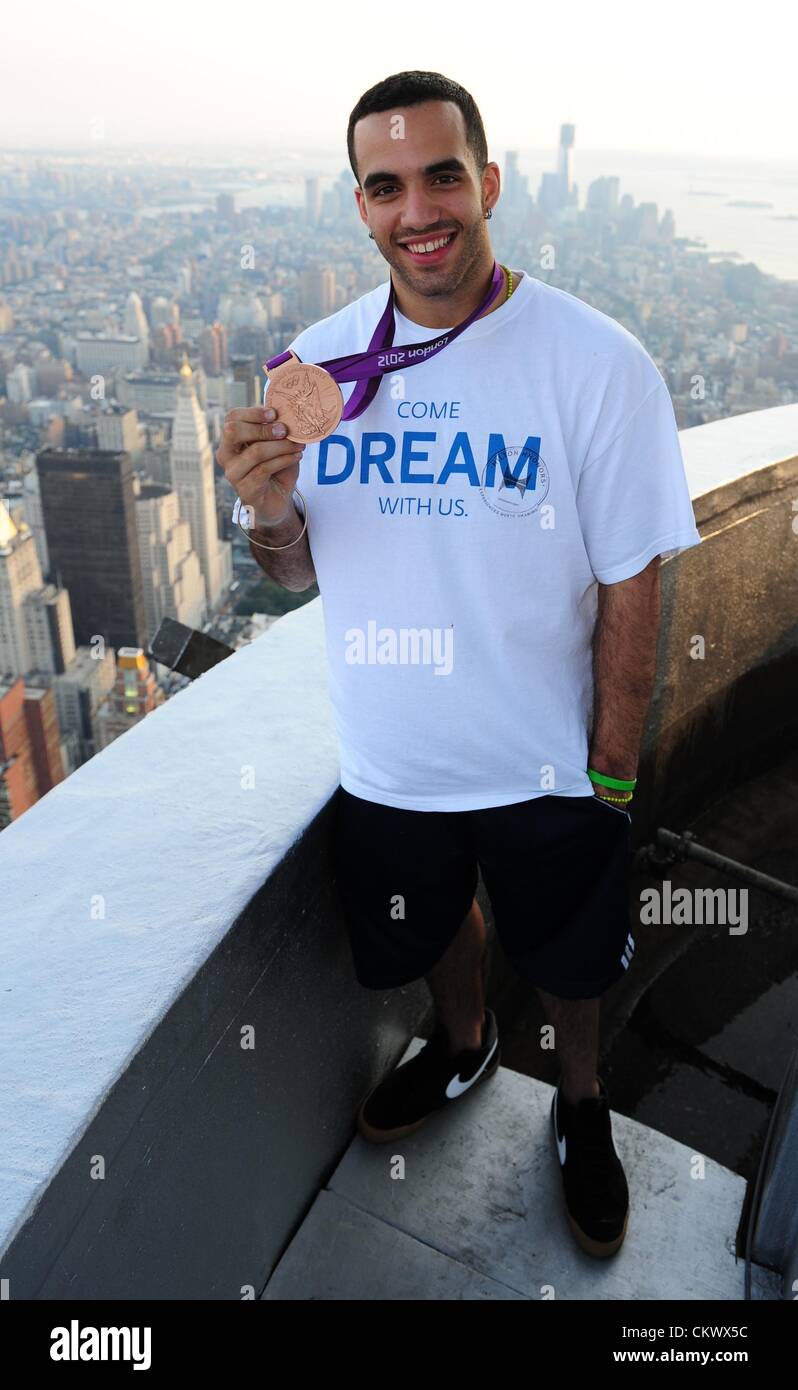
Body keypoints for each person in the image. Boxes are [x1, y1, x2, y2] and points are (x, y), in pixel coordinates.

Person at [217, 70, 701, 1260]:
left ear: (488, 183)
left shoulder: (595, 362)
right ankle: (466, 1039)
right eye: (387, 186)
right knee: (434, 927)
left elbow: (635, 580)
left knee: (578, 956)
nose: (417, 208)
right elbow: (295, 572)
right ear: (361, 207)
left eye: (442, 175)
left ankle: (581, 1105)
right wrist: (271, 510)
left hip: (550, 763)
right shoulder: (316, 374)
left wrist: (615, 768)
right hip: (392, 765)